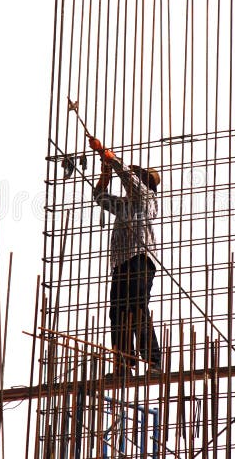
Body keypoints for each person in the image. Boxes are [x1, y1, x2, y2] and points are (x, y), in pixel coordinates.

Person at [87, 134, 162, 377]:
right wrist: (105, 175)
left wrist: (110, 158)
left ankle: (153, 361)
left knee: (137, 306)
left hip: (140, 259)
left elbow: (130, 181)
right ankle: (123, 363)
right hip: (121, 263)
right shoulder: (125, 204)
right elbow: (99, 197)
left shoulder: (147, 198)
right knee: (117, 312)